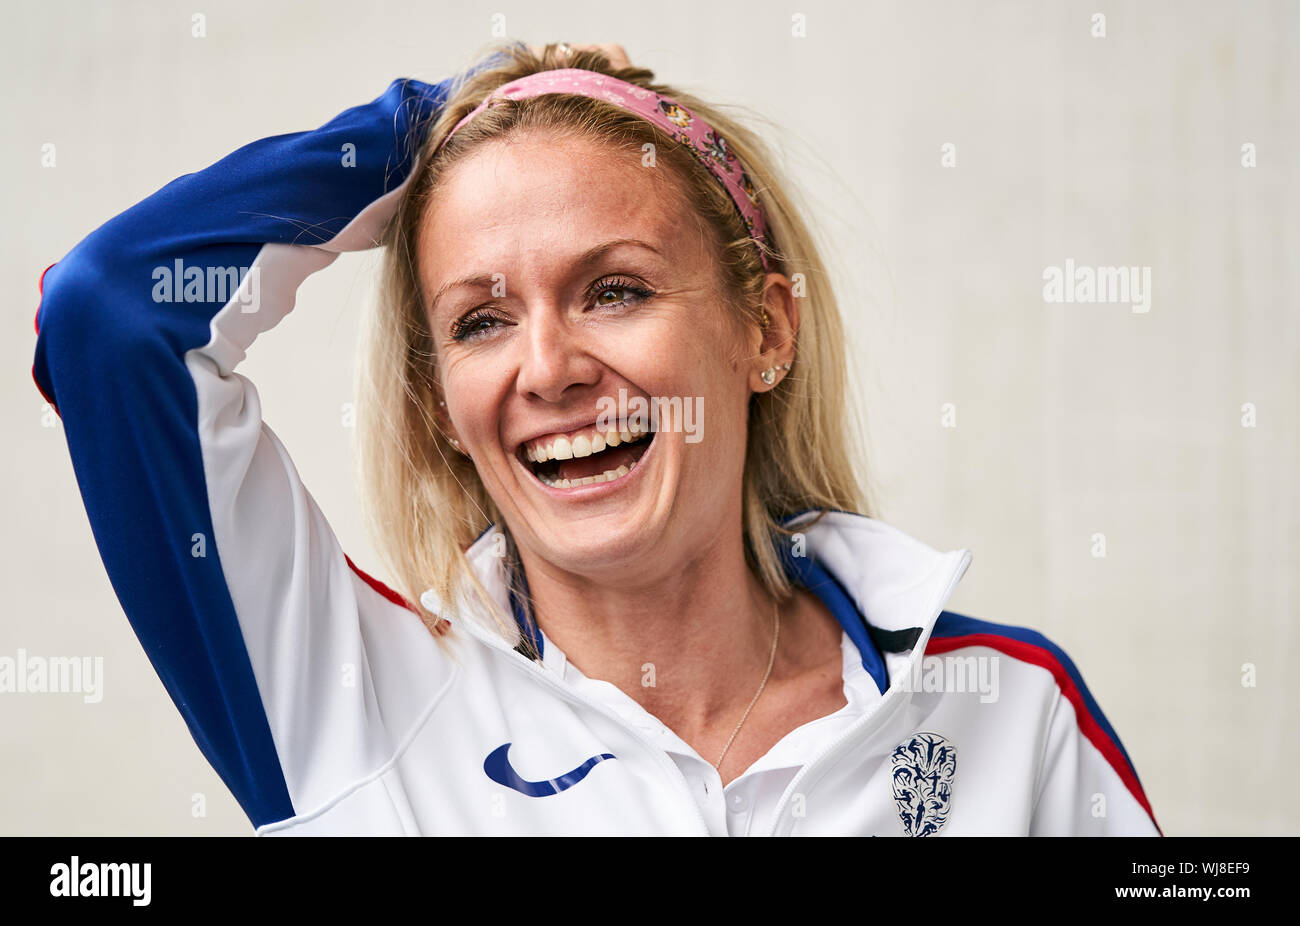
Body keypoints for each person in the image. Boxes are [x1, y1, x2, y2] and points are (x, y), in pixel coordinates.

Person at [31, 41, 1161, 836]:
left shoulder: (1010, 712)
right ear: (439, 405)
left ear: (763, 330)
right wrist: (433, 120)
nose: (549, 367)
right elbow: (110, 307)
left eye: (614, 290)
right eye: (480, 319)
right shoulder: (341, 697)